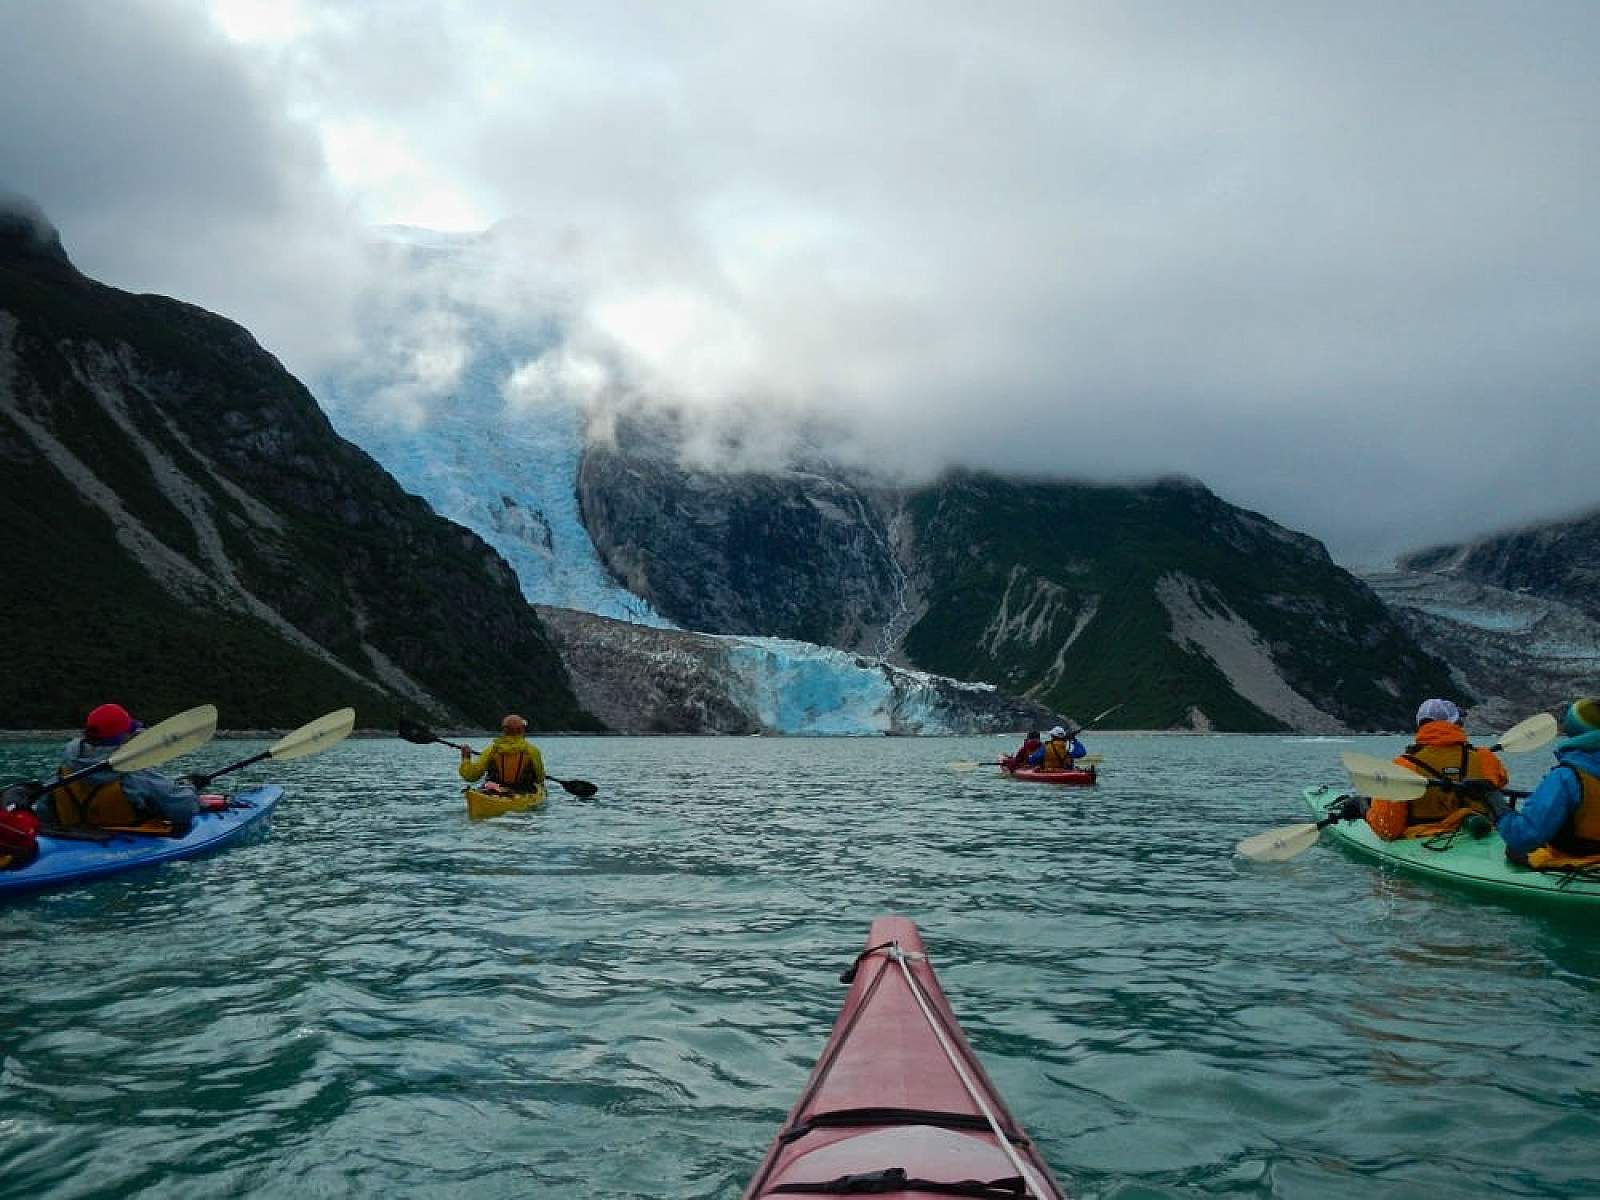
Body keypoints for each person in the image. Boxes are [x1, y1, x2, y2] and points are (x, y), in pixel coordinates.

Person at [43, 702, 198, 834]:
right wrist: (189, 788)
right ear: (123, 738)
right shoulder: (134, 775)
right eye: (130, 733)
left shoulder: (62, 773)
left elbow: (44, 813)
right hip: (130, 841)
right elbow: (184, 810)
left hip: (74, 840)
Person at [1368, 698, 1508, 840]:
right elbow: (1500, 781)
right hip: (1481, 833)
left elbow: (1387, 830)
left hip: (1424, 839)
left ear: (1420, 725)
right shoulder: (1485, 757)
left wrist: (1365, 811)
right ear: (1456, 723)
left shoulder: (1403, 765)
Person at [1484, 698, 1600, 868]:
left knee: (1514, 849)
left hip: (1578, 860)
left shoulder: (1567, 776)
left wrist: (1494, 801)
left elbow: (1524, 837)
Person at [459, 714, 546, 794]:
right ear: (522, 730)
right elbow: (539, 777)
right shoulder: (533, 751)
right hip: (524, 791)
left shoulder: (492, 750)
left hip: (494, 791)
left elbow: (471, 776)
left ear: (504, 730)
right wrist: (541, 784)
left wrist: (466, 758)